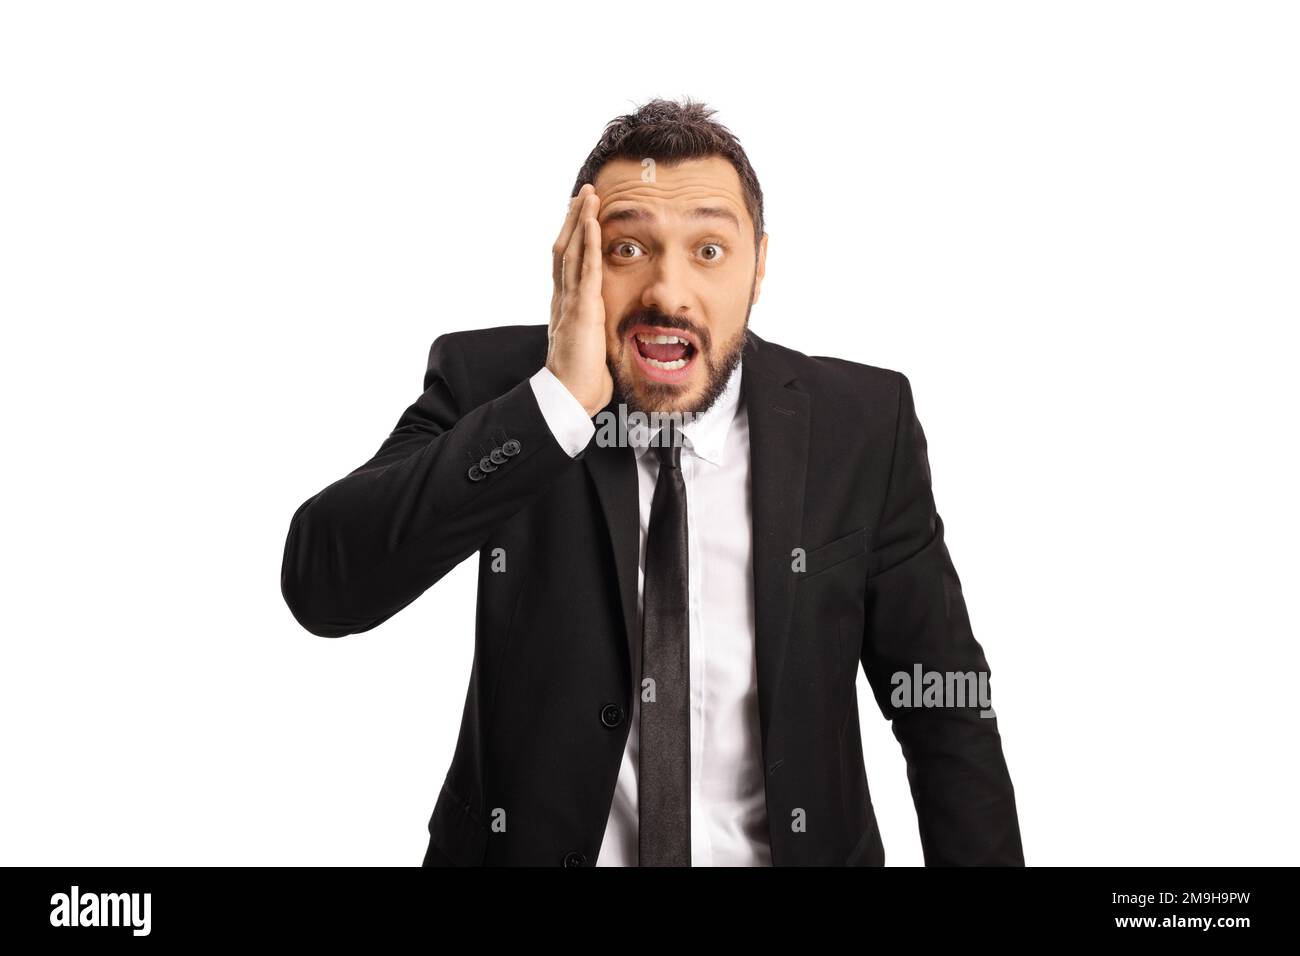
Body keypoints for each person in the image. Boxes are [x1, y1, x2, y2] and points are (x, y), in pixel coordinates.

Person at [280, 97, 1024, 866]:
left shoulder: (862, 424)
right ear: (577, 261)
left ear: (759, 265)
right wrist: (554, 409)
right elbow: (325, 586)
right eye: (628, 249)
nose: (669, 293)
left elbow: (945, 710)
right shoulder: (495, 390)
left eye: (709, 251)